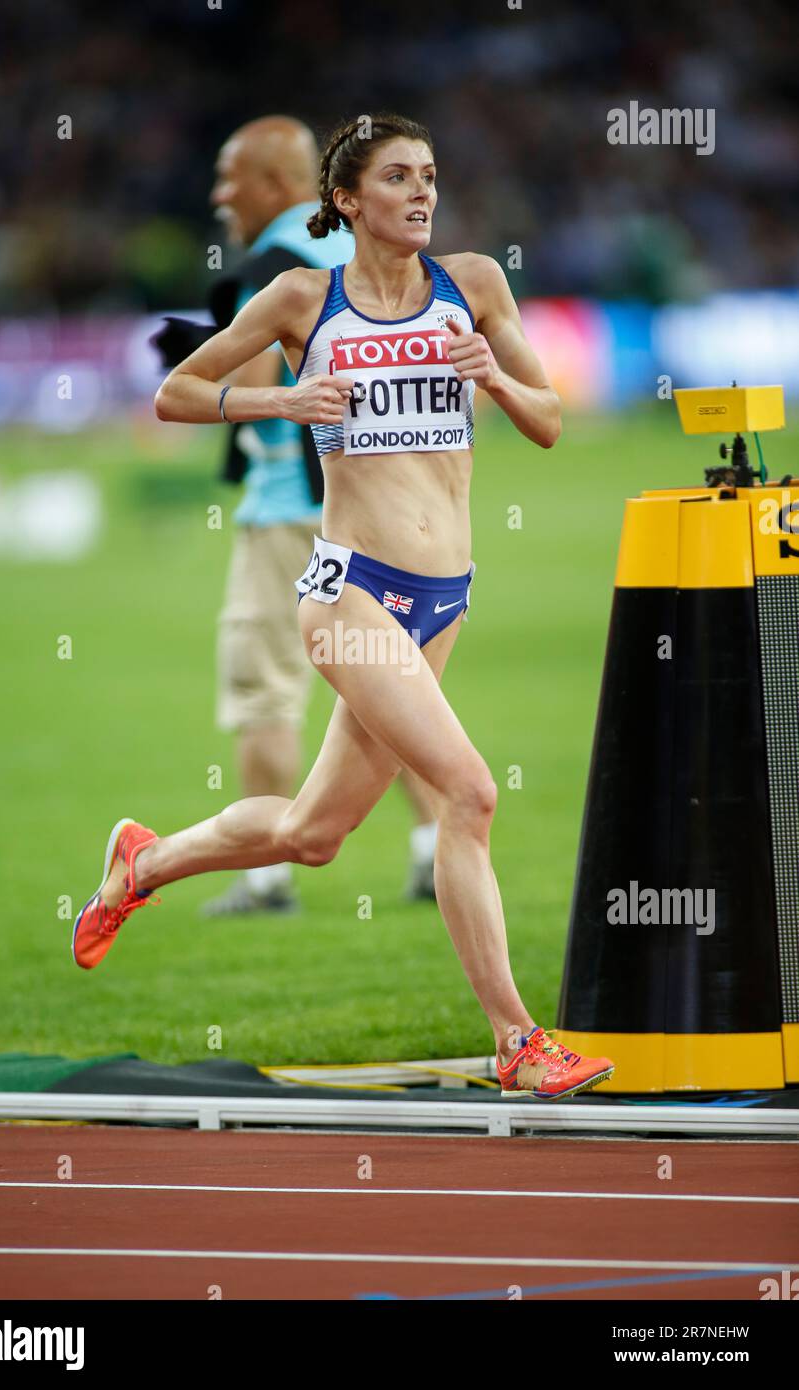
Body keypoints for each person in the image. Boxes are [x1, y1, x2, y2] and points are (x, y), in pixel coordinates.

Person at [73, 113, 616, 1099]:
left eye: (430, 177)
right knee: (468, 793)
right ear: (347, 200)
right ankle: (515, 1040)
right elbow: (177, 393)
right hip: (348, 592)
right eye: (400, 178)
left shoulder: (474, 286)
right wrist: (278, 401)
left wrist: (493, 376)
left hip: (442, 595)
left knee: (313, 834)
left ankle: (138, 866)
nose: (422, 194)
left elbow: (548, 421)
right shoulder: (299, 299)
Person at [154, 115, 440, 915]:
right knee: (393, 693)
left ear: (279, 184)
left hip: (292, 511)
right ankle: (428, 851)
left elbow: (245, 395)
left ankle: (265, 879)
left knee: (265, 689)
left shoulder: (276, 268)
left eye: (229, 176)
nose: (218, 194)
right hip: (392, 521)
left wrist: (245, 400)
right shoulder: (365, 255)